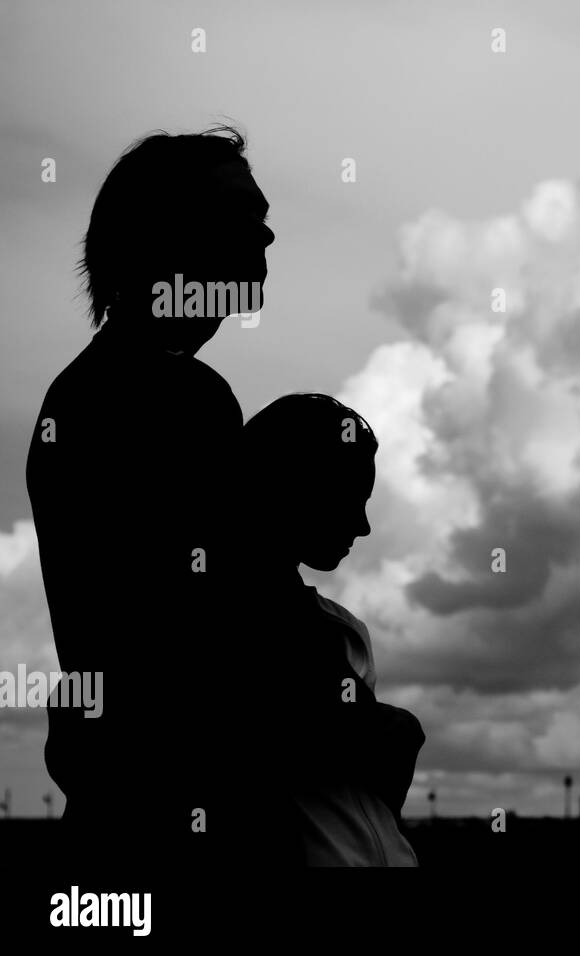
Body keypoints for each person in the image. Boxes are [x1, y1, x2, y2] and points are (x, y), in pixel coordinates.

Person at [26, 126, 277, 865]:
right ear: (169, 233)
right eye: (241, 211)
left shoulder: (96, 389)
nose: (267, 229)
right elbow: (229, 624)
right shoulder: (175, 395)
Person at [239, 393, 425, 866]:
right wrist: (396, 730)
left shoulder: (340, 629)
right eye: (352, 498)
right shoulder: (226, 619)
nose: (363, 526)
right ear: (295, 487)